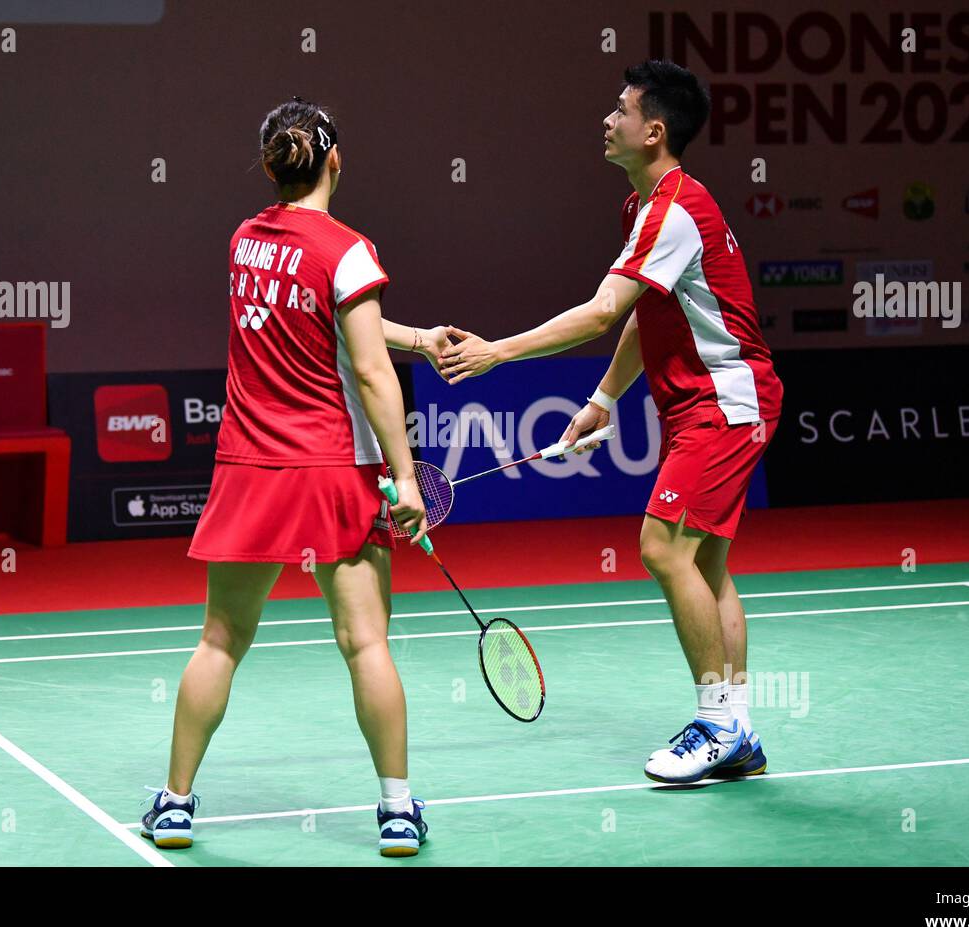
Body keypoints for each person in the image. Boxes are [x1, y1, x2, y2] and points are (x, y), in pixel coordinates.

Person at [438, 61, 783, 785]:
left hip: (725, 404)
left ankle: (717, 722)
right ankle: (739, 730)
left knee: (661, 547)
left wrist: (500, 352)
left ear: (654, 131)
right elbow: (640, 313)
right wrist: (604, 396)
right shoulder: (644, 209)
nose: (607, 119)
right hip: (705, 404)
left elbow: (600, 311)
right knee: (707, 567)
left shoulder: (674, 209)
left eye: (620, 110)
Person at [142, 97, 446, 856]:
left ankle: (175, 805)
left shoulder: (245, 241)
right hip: (332, 469)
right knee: (367, 644)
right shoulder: (349, 250)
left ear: (276, 163)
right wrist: (406, 479)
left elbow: (325, 319)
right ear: (334, 160)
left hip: (249, 467)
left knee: (219, 640)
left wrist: (419, 338)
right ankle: (398, 811)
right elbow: (369, 370)